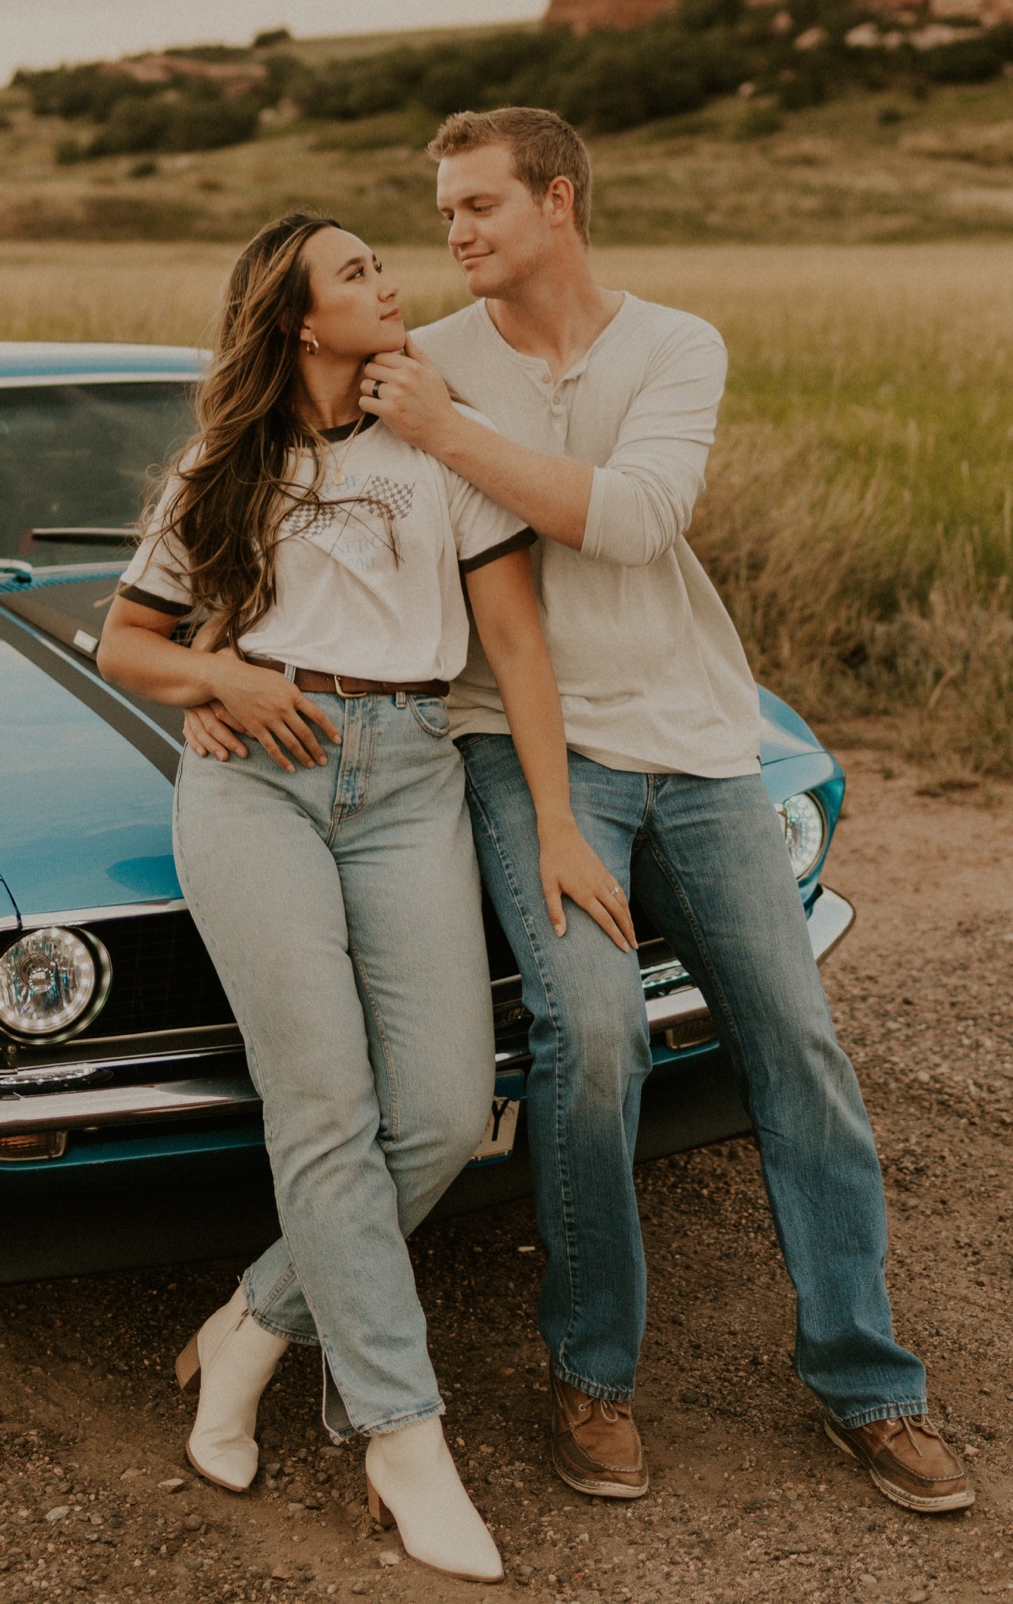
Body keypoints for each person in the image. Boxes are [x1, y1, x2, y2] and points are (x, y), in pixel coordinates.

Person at [334, 104, 969, 1517]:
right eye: (444, 210)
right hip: (526, 748)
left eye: (480, 205)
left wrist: (450, 433)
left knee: (798, 1041)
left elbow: (631, 519)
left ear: (558, 200)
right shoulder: (421, 360)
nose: (453, 233)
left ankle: (869, 1384)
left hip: (695, 739)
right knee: (596, 1034)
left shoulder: (677, 346)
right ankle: (593, 1374)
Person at [98, 209, 637, 1585]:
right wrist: (219, 676)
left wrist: (558, 820)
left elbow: (513, 640)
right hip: (256, 776)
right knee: (325, 1108)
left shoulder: (442, 440)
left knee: (447, 1111)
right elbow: (128, 645)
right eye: (358, 273)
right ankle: (402, 1432)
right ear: (298, 321)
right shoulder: (222, 464)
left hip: (406, 774)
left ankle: (253, 1325)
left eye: (382, 266)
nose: (390, 283)